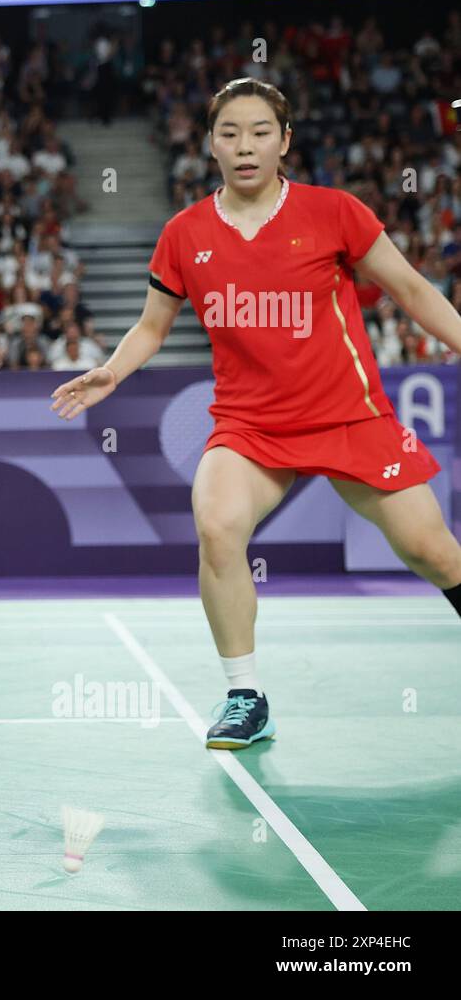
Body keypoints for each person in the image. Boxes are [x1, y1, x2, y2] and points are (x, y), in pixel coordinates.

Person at [51, 77, 461, 749]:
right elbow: (153, 327)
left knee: (432, 551)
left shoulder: (335, 212)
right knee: (216, 525)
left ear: (285, 141)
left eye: (261, 132)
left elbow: (413, 289)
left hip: (349, 416)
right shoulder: (185, 234)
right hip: (250, 426)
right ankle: (245, 694)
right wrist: (112, 370)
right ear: (210, 144)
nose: (246, 146)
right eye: (231, 133)